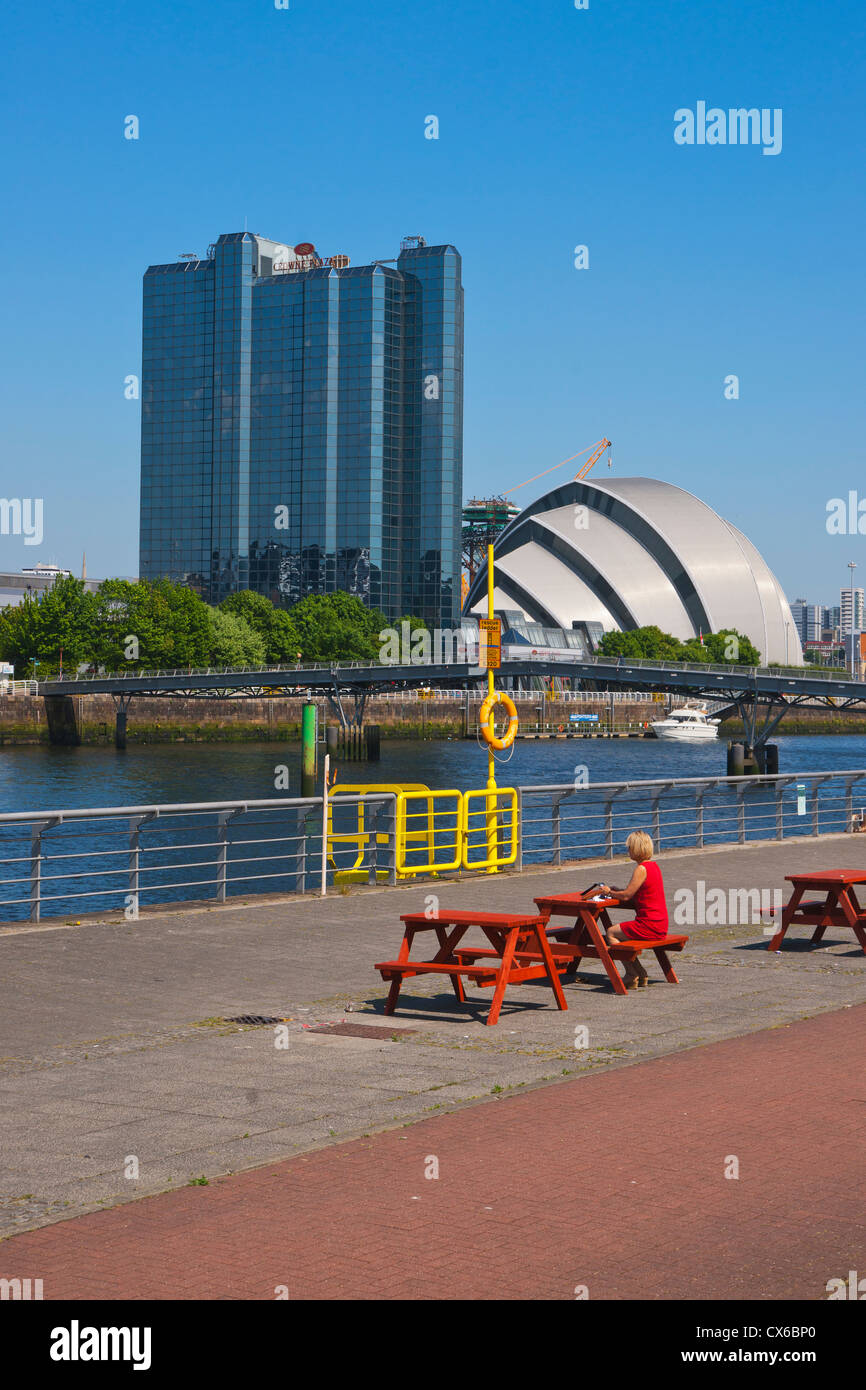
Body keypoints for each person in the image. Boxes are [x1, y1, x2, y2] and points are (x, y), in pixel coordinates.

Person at [597, 831, 668, 989]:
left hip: (649, 925)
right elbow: (637, 892)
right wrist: (618, 891)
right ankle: (641, 973)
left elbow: (627, 895)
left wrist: (609, 892)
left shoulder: (641, 869)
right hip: (660, 924)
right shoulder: (654, 867)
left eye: (629, 847)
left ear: (636, 849)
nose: (628, 850)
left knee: (611, 933)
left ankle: (630, 973)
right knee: (623, 935)